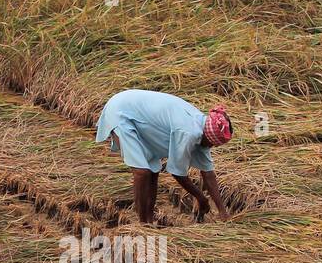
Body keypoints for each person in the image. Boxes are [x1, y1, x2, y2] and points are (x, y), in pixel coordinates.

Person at [95, 89, 232, 224]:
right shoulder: (188, 132)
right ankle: (143, 225)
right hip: (121, 112)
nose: (212, 147)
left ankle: (149, 219)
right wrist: (201, 198)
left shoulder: (203, 127)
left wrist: (222, 212)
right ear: (209, 137)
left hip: (143, 120)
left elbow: (208, 174)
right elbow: (178, 173)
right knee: (142, 173)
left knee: (153, 171)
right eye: (213, 144)